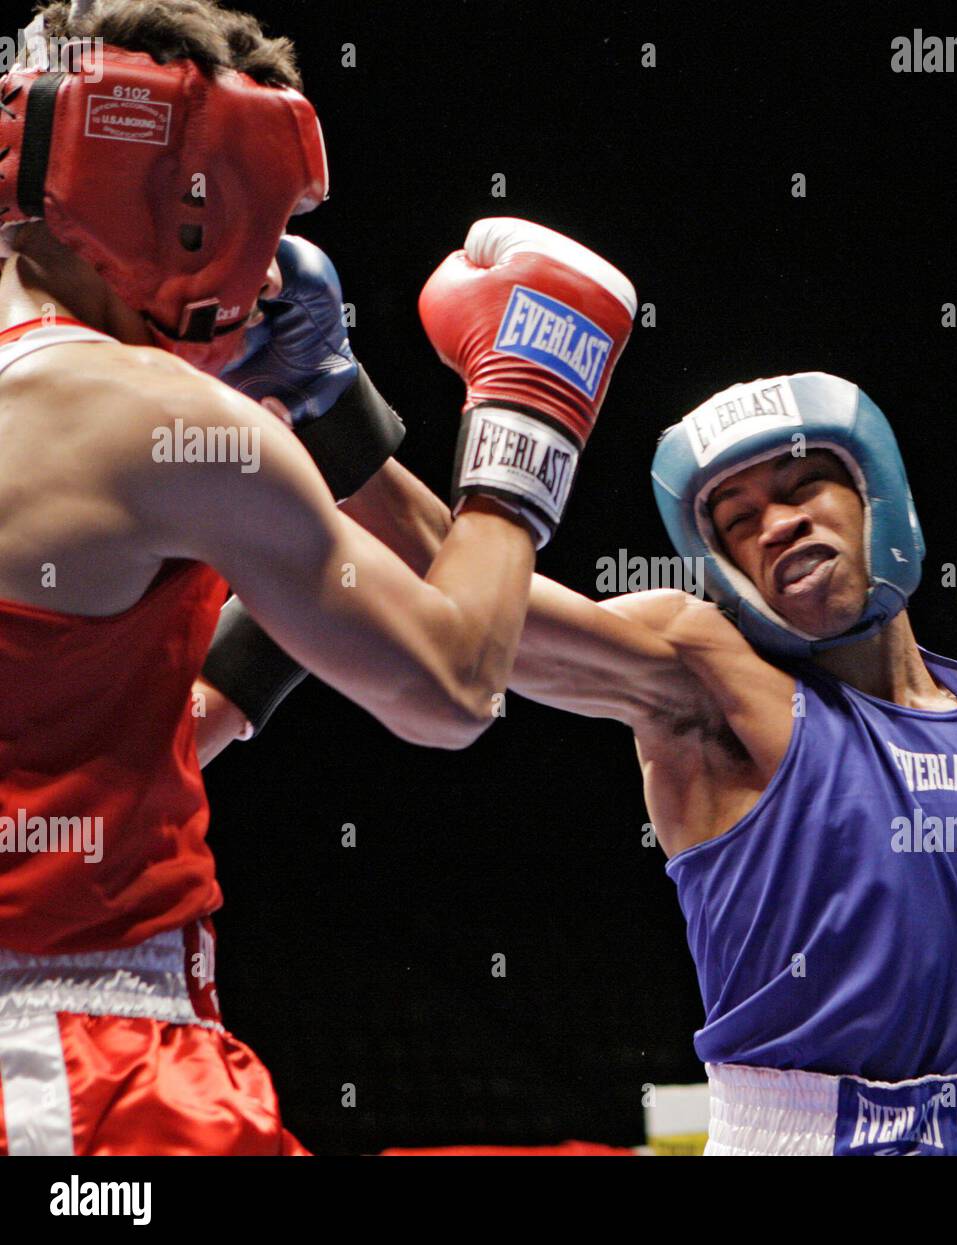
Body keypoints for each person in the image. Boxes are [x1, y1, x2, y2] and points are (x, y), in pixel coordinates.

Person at [0, 0, 634, 1155]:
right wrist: (524, 411)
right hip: (77, 1066)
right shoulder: (153, 417)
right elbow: (449, 684)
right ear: (194, 199)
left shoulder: (87, 414)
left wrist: (324, 450)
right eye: (269, 209)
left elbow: (114, 739)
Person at [502, 371, 957, 1155]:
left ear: (878, 493)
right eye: (739, 520)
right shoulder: (708, 684)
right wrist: (378, 449)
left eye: (804, 485)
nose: (779, 525)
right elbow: (483, 627)